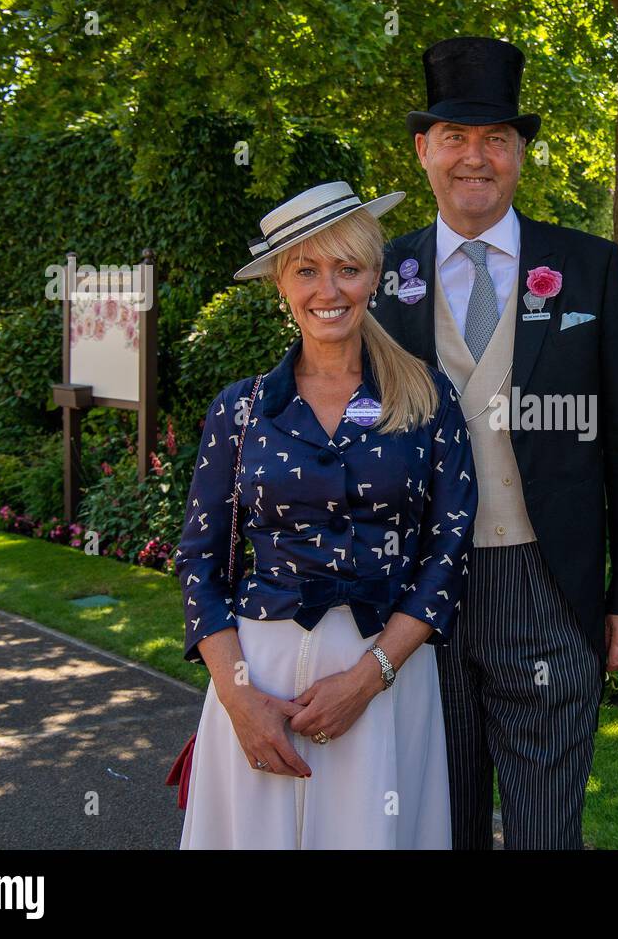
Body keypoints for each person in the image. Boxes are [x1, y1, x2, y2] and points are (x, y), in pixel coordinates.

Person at [373, 37, 618, 850]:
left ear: (521, 156)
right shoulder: (379, 275)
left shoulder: (589, 267)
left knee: (544, 831)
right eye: (457, 138)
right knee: (441, 820)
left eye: (498, 139)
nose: (477, 158)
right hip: (418, 596)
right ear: (423, 149)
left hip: (546, 582)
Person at [174, 180, 477, 849]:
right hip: (260, 684)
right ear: (282, 283)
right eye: (307, 270)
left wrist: (369, 679)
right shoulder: (242, 410)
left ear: (373, 275)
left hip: (386, 682)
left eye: (348, 267)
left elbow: (447, 552)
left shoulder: (426, 400)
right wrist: (238, 698)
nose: (328, 290)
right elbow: (199, 559)